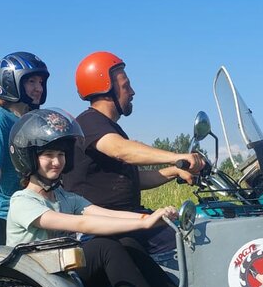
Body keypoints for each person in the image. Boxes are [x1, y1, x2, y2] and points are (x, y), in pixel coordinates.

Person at [7, 109, 179, 287]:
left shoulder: (65, 197)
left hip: (60, 274)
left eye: (61, 154)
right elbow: (81, 224)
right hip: (37, 282)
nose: (57, 162)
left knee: (127, 242)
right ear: (29, 158)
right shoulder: (23, 202)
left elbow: (106, 214)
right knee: (104, 247)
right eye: (48, 155)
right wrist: (144, 223)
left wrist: (152, 218)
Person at [62, 51, 205, 253]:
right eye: (125, 86)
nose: (132, 92)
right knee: (193, 240)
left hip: (127, 220)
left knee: (199, 223)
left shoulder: (107, 126)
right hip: (105, 228)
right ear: (106, 89)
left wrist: (174, 171)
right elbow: (121, 150)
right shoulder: (89, 123)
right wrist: (178, 156)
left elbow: (131, 179)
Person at [0, 51, 49, 244]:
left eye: (41, 82)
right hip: (10, 218)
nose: (38, 88)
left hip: (42, 210)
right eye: (31, 82)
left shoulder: (36, 121)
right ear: (10, 82)